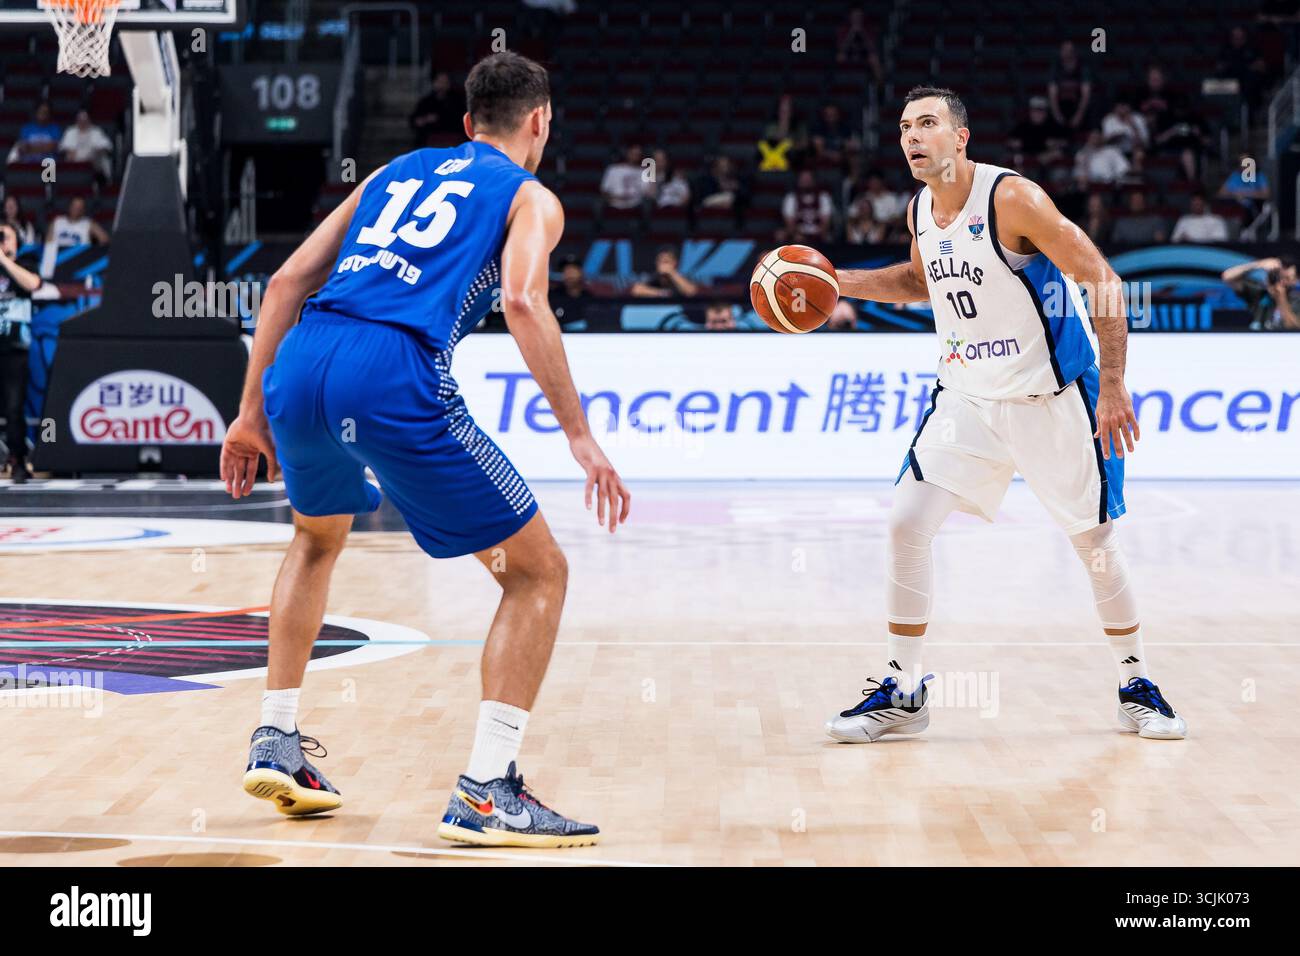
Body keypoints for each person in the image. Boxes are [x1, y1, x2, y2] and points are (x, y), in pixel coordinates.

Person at [220, 52, 630, 848]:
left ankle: (275, 734)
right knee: (539, 573)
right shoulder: (530, 196)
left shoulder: (391, 172)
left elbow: (283, 284)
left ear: (469, 121)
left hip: (303, 359)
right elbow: (521, 300)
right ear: (539, 122)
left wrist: (248, 414)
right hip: (392, 369)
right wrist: (580, 436)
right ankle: (487, 789)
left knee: (315, 538)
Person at [827, 86, 1186, 743]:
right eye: (906, 126)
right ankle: (904, 691)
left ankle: (1136, 680)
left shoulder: (1011, 199)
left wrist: (1112, 383)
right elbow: (918, 281)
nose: (913, 136)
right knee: (907, 523)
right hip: (967, 397)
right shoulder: (919, 210)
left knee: (1094, 547)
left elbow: (1102, 277)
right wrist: (838, 282)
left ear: (961, 137)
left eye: (928, 123)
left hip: (1050, 398)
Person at [0, 223, 54, 482]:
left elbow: (33, 283)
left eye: (5, 237)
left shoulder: (26, 262)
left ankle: (18, 460)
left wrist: (4, 260)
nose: (2, 241)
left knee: (14, 408)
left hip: (15, 348)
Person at [1220, 256, 1300, 330]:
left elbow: (1294, 329)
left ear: (1295, 281)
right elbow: (1227, 277)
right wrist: (1258, 264)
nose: (1281, 281)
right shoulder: (1259, 294)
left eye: (1287, 278)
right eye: (1279, 276)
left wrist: (1281, 298)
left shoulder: (1296, 300)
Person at [409, 71, 466, 148]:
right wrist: (425, 120)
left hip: (453, 138)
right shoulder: (426, 101)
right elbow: (415, 120)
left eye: (445, 82)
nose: (442, 85)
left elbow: (461, 119)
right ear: (434, 83)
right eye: (440, 81)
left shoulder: (457, 100)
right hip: (430, 138)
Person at [59, 109, 114, 181]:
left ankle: (103, 184)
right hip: (74, 164)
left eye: (85, 120)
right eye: (80, 120)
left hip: (93, 165)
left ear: (89, 120)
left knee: (103, 159)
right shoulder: (70, 131)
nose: (82, 122)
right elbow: (63, 148)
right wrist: (68, 152)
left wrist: (98, 151)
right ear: (77, 120)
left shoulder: (96, 131)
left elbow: (107, 146)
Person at [781, 169, 834, 243]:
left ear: (813, 180)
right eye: (803, 179)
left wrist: (818, 235)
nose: (806, 182)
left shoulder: (823, 197)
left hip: (819, 236)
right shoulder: (791, 198)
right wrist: (797, 235)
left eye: (808, 179)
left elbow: (826, 223)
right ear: (798, 181)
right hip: (798, 237)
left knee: (829, 237)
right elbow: (790, 224)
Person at [631, 245, 698, 297]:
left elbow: (691, 292)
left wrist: (672, 273)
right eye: (660, 261)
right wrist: (661, 293)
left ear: (675, 263)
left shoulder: (682, 278)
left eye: (666, 261)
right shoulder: (652, 277)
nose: (663, 265)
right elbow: (636, 290)